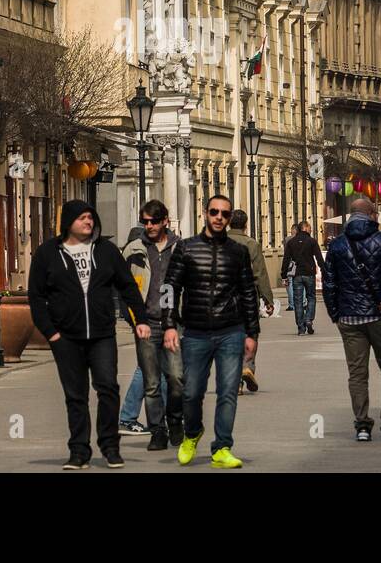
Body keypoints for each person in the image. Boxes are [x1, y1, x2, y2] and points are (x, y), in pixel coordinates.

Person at [28, 199, 151, 469]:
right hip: (66, 338)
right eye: (82, 217)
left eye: (90, 217)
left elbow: (127, 286)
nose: (88, 222)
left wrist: (139, 319)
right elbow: (36, 298)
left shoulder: (106, 251)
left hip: (102, 335)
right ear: (68, 222)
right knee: (76, 395)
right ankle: (79, 451)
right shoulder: (47, 253)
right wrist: (51, 333)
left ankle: (110, 447)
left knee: (108, 388)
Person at [162, 194, 260, 469]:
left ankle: (222, 447)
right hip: (195, 332)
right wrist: (169, 325)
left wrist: (252, 334)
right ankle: (192, 433)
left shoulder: (238, 252)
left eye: (225, 214)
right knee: (190, 392)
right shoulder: (186, 248)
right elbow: (170, 287)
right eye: (214, 212)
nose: (219, 217)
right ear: (205, 213)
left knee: (228, 391)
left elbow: (247, 293)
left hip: (231, 331)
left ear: (230, 218)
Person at [323, 196, 381, 441]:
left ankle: (362, 425)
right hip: (379, 315)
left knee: (357, 373)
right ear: (373, 215)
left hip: (349, 317)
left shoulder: (337, 245)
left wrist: (335, 312)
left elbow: (329, 282)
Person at [120, 199, 183, 450]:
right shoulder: (133, 248)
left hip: (175, 324)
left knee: (177, 378)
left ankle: (175, 421)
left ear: (165, 221)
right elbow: (123, 287)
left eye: (154, 221)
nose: (149, 226)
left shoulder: (181, 249)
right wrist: (133, 319)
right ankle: (158, 431)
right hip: (146, 323)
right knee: (151, 383)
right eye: (145, 221)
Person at [227, 209, 274, 393]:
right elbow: (260, 273)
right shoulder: (252, 244)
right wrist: (268, 299)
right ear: (246, 225)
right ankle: (247, 367)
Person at [282, 220, 325, 335]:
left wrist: (283, 275)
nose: (311, 230)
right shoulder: (312, 241)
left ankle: (301, 328)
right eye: (309, 227)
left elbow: (286, 259)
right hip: (309, 273)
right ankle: (308, 319)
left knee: (298, 301)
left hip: (297, 275)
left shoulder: (291, 242)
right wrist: (324, 270)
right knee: (311, 297)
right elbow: (319, 258)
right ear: (305, 228)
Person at [281, 223, 301, 310]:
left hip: (290, 264)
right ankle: (302, 303)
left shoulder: (287, 239)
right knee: (300, 284)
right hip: (300, 264)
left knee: (289, 284)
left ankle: (292, 304)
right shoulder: (302, 239)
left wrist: (283, 271)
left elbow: (286, 254)